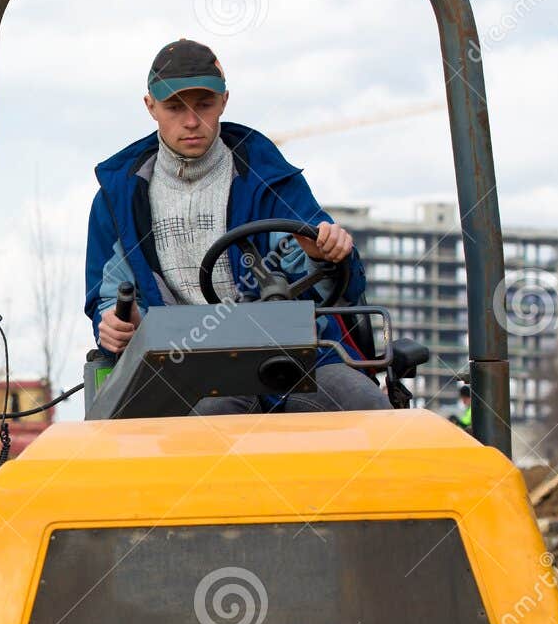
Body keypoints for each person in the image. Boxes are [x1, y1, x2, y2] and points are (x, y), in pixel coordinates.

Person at [86, 39, 387, 415]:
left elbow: (332, 284)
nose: (191, 122)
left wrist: (323, 255)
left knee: (366, 406)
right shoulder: (117, 198)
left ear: (224, 101)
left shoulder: (269, 178)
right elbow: (110, 296)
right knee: (217, 413)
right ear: (151, 107)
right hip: (180, 364)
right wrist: (117, 321)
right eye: (175, 107)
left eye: (204, 105)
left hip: (290, 357)